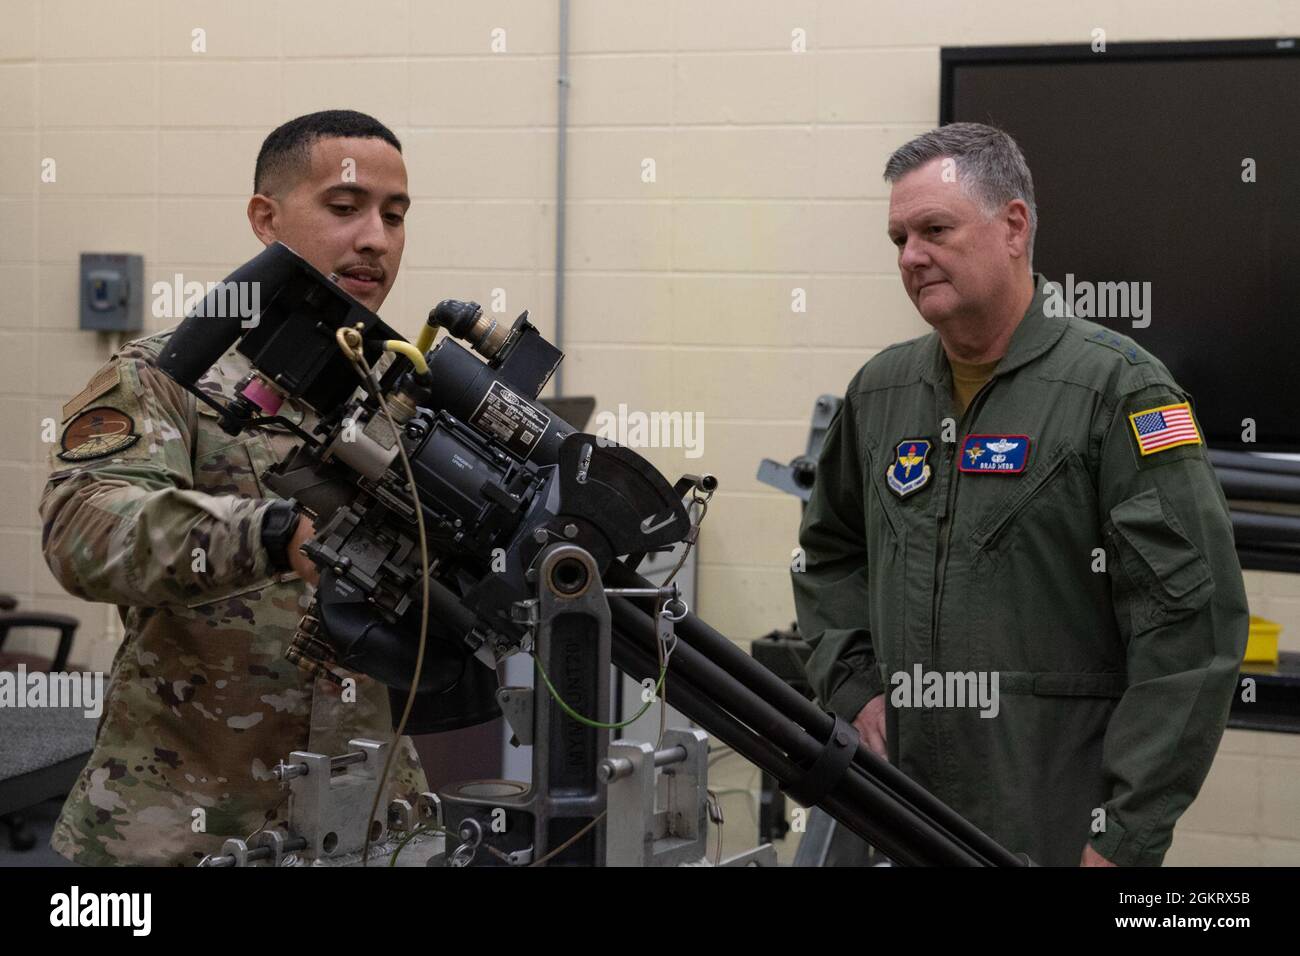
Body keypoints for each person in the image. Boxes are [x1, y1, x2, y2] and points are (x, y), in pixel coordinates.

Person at [793, 122, 1248, 867]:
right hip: (893, 811)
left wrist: (1124, 837)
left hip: (1050, 828)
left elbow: (1190, 638)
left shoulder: (1119, 393)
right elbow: (830, 555)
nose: (911, 257)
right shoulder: (882, 392)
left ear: (1013, 227)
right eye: (898, 239)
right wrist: (854, 688)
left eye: (934, 229)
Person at [40, 110, 429, 865]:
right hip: (182, 828)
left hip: (369, 828)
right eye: (345, 209)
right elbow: (82, 531)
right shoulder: (167, 378)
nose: (375, 238)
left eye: (395, 215)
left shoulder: (404, 408)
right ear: (266, 218)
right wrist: (276, 535)